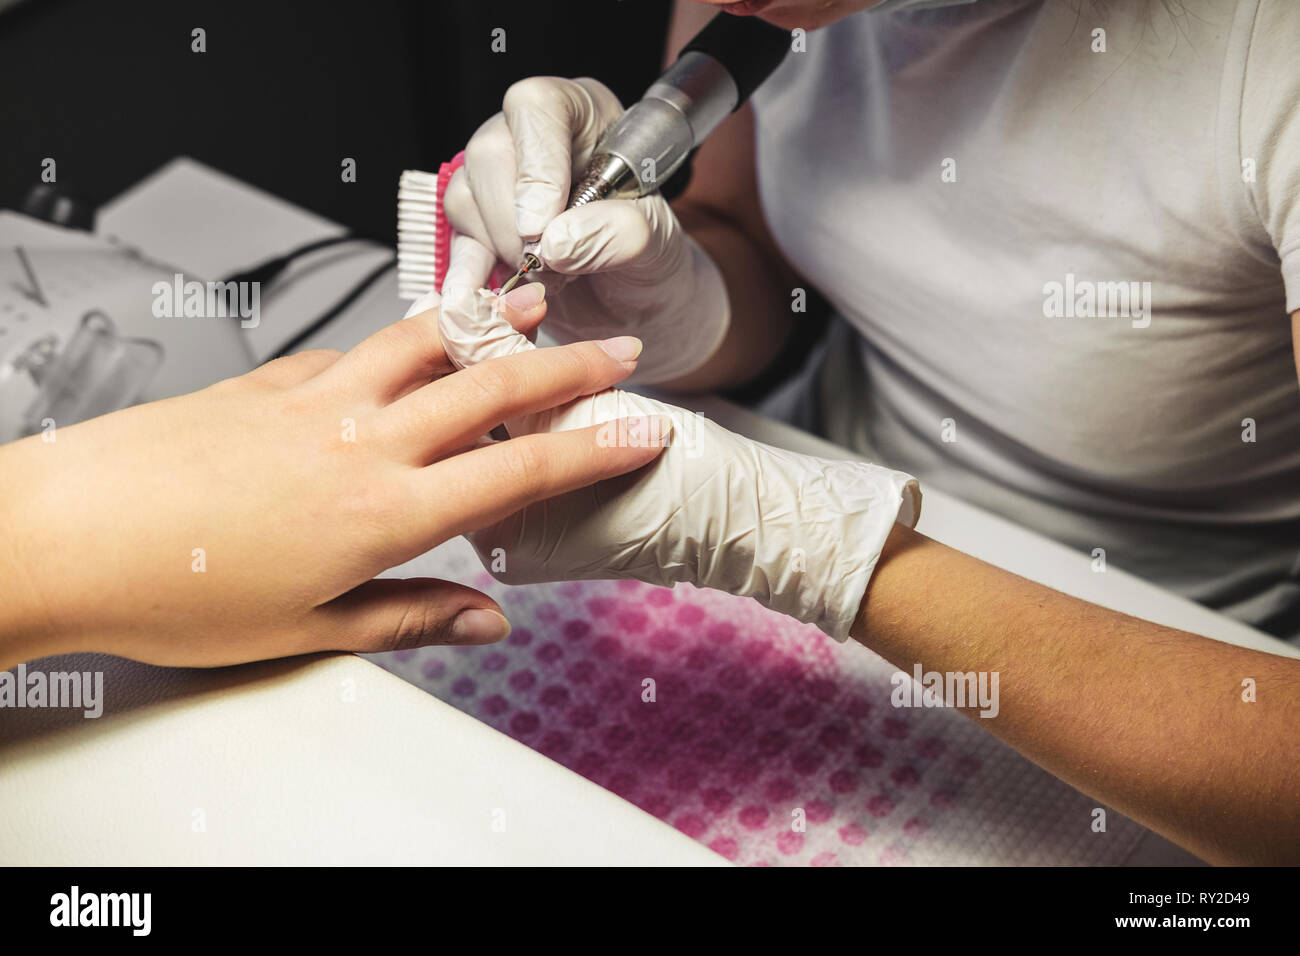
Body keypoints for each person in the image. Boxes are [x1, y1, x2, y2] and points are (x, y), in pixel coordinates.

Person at [434, 0, 1300, 864]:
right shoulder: (756, 8)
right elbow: (756, 245)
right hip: (825, 492)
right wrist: (680, 307)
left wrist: (812, 542)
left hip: (1171, 658)